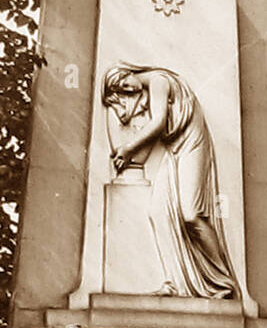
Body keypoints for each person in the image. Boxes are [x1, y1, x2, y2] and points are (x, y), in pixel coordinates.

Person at [101, 63, 239, 300]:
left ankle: (223, 282)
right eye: (121, 90)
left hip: (192, 146)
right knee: (158, 212)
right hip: (176, 150)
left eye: (124, 82)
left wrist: (128, 149)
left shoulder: (158, 81)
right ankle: (173, 282)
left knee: (192, 215)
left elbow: (158, 123)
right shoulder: (144, 92)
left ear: (129, 71)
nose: (126, 89)